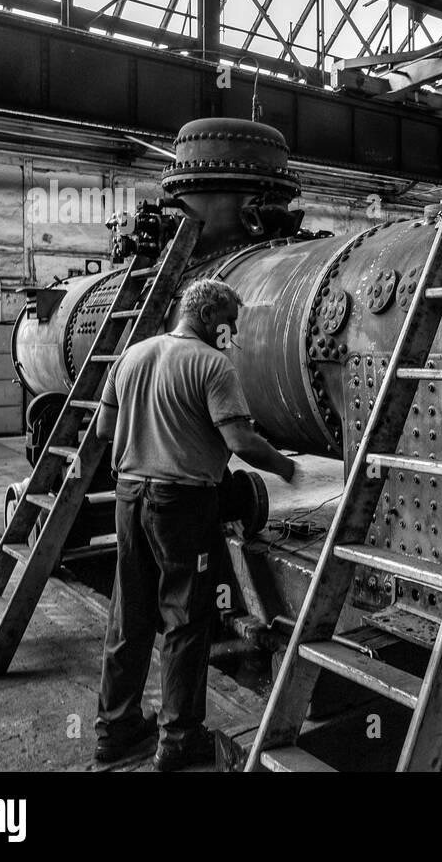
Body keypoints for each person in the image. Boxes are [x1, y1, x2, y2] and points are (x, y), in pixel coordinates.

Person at [93, 277, 297, 771]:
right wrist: (286, 467)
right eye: (229, 321)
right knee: (185, 618)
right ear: (207, 317)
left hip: (128, 496)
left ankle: (115, 732)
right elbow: (243, 442)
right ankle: (179, 737)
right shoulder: (212, 364)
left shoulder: (133, 355)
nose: (232, 331)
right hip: (181, 504)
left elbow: (103, 430)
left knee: (131, 612)